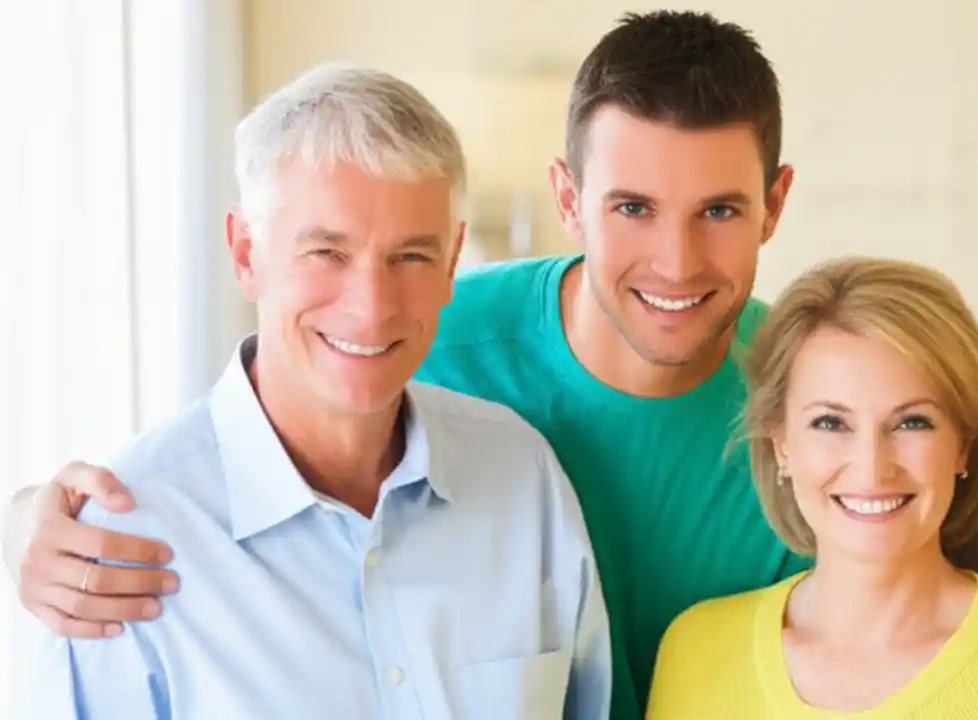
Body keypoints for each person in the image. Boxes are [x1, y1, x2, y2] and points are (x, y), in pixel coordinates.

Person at [4, 11, 802, 718]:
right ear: (569, 199)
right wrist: (26, 518)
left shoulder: (813, 400)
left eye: (720, 210)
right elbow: (211, 456)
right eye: (633, 206)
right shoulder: (135, 545)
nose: (373, 308)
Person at [14, 63, 609, 719]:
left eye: (410, 255)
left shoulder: (523, 480)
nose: (372, 306)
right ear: (245, 253)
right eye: (327, 252)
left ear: (451, 261)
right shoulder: (119, 545)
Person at [645, 257, 978, 718]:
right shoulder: (696, 650)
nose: (872, 468)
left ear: (963, 445)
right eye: (830, 422)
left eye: (912, 422)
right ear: (780, 444)